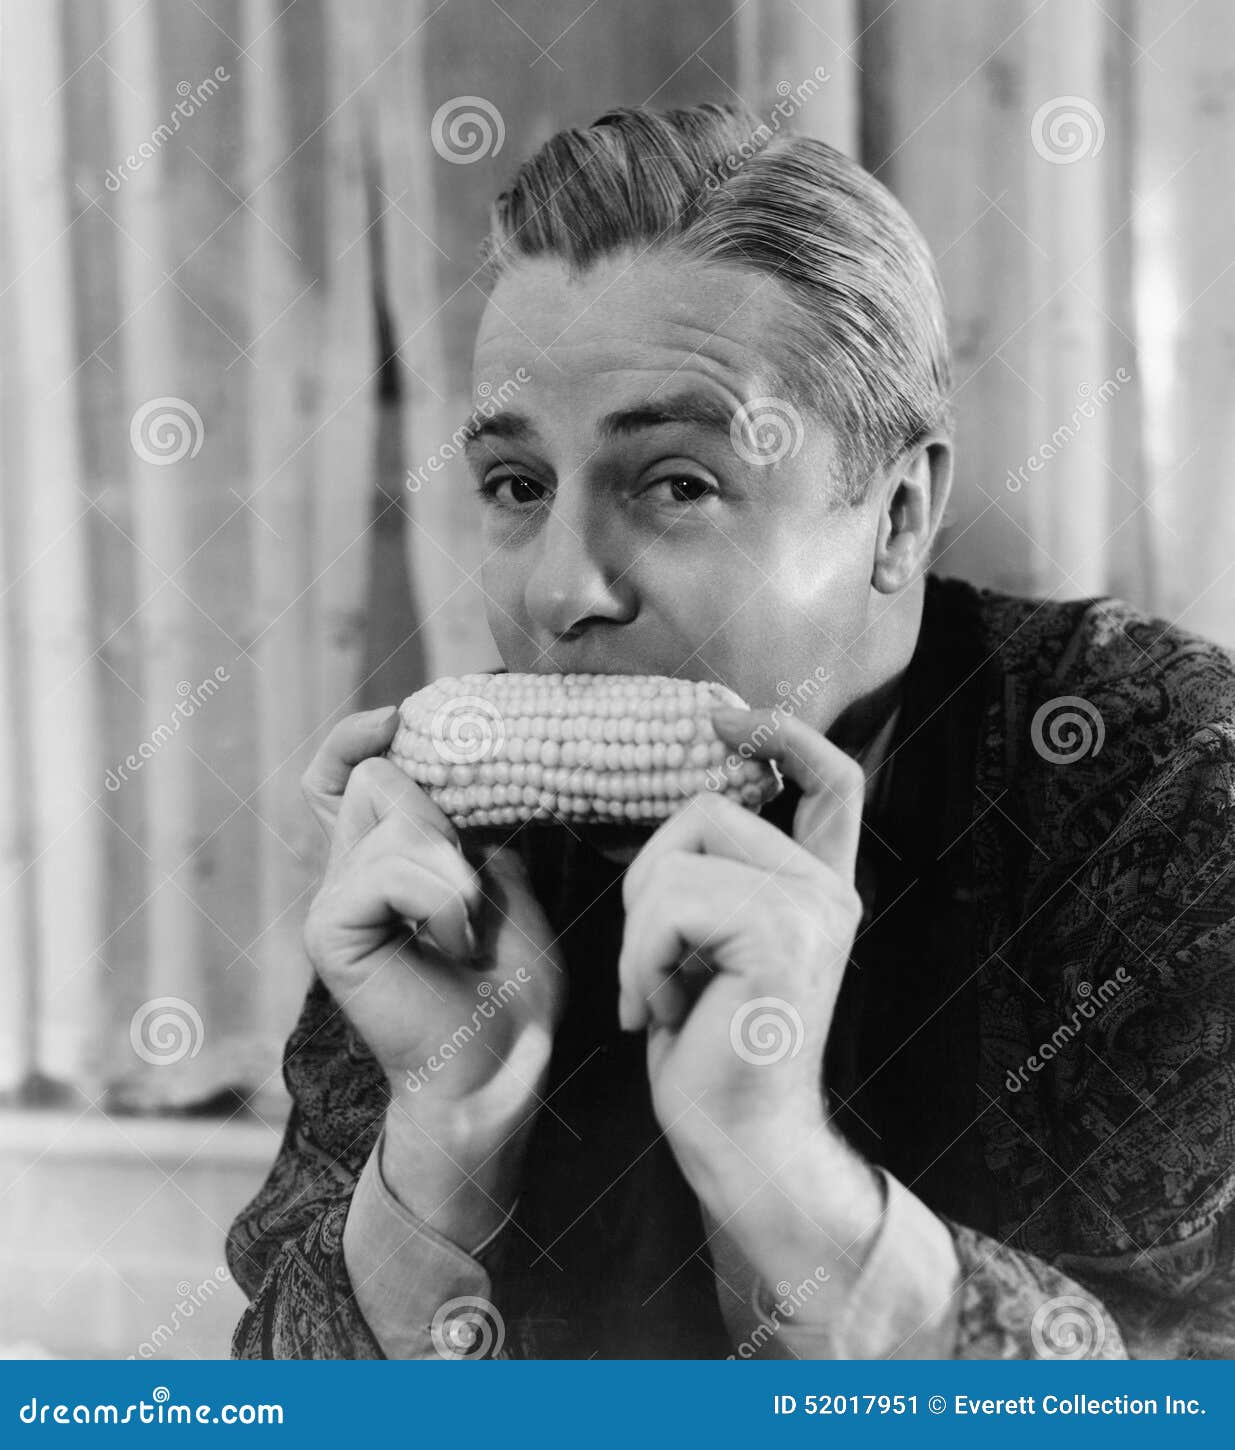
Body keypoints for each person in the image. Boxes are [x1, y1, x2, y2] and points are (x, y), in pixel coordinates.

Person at [227, 105, 1235, 1360]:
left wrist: (781, 1176)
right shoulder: (449, 855)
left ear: (899, 513)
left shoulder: (1161, 778)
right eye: (515, 485)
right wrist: (444, 1132)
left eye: (676, 483)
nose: (559, 592)